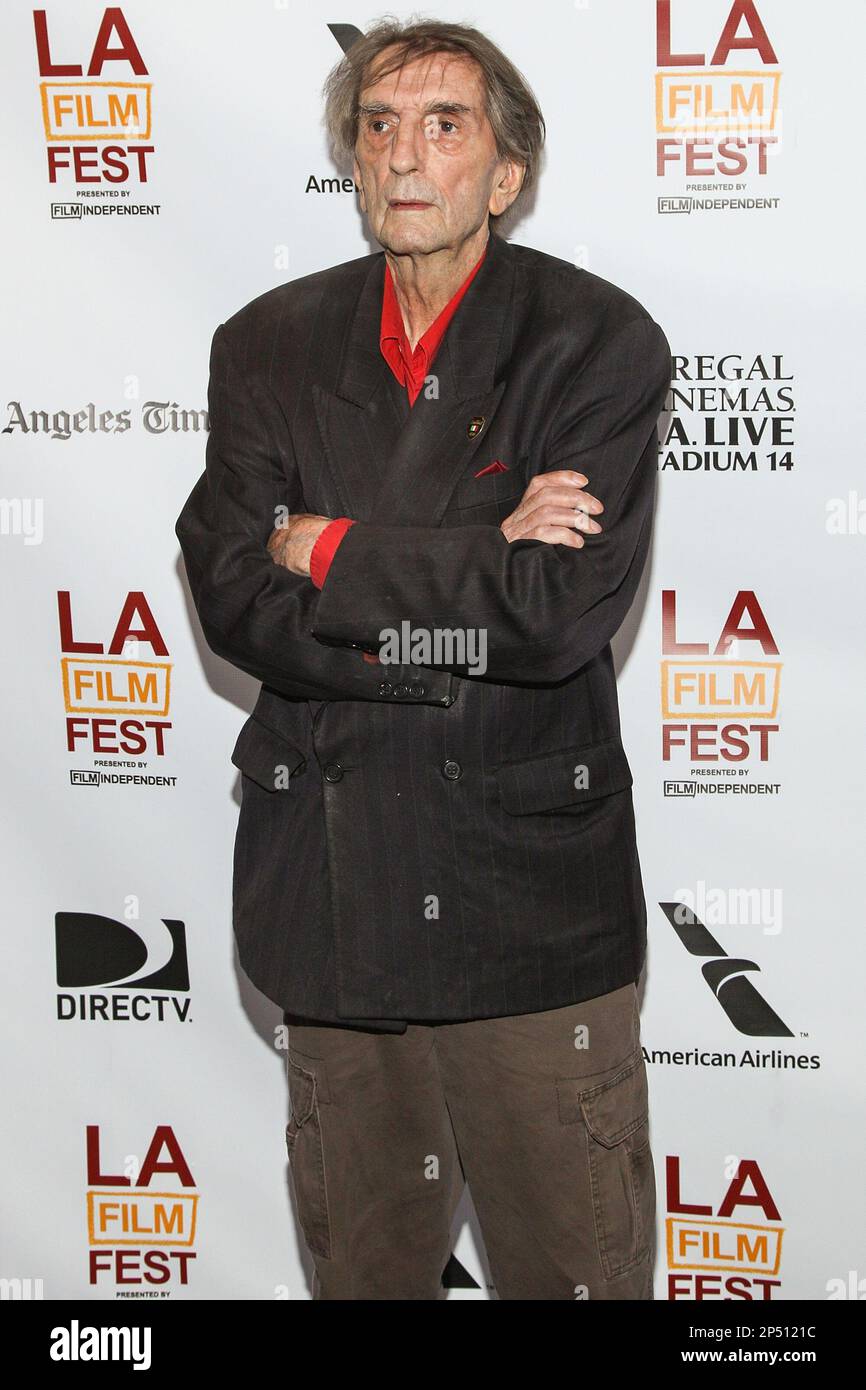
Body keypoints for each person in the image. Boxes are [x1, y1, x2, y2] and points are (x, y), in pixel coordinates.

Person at [175, 16, 671, 1300]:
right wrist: (466, 584)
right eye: (379, 124)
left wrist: (326, 543)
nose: (405, 153)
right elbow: (233, 596)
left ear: (504, 177)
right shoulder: (266, 344)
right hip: (335, 903)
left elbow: (557, 612)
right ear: (351, 159)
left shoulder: (594, 341)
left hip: (524, 908)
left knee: (579, 1274)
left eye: (444, 125)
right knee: (365, 1277)